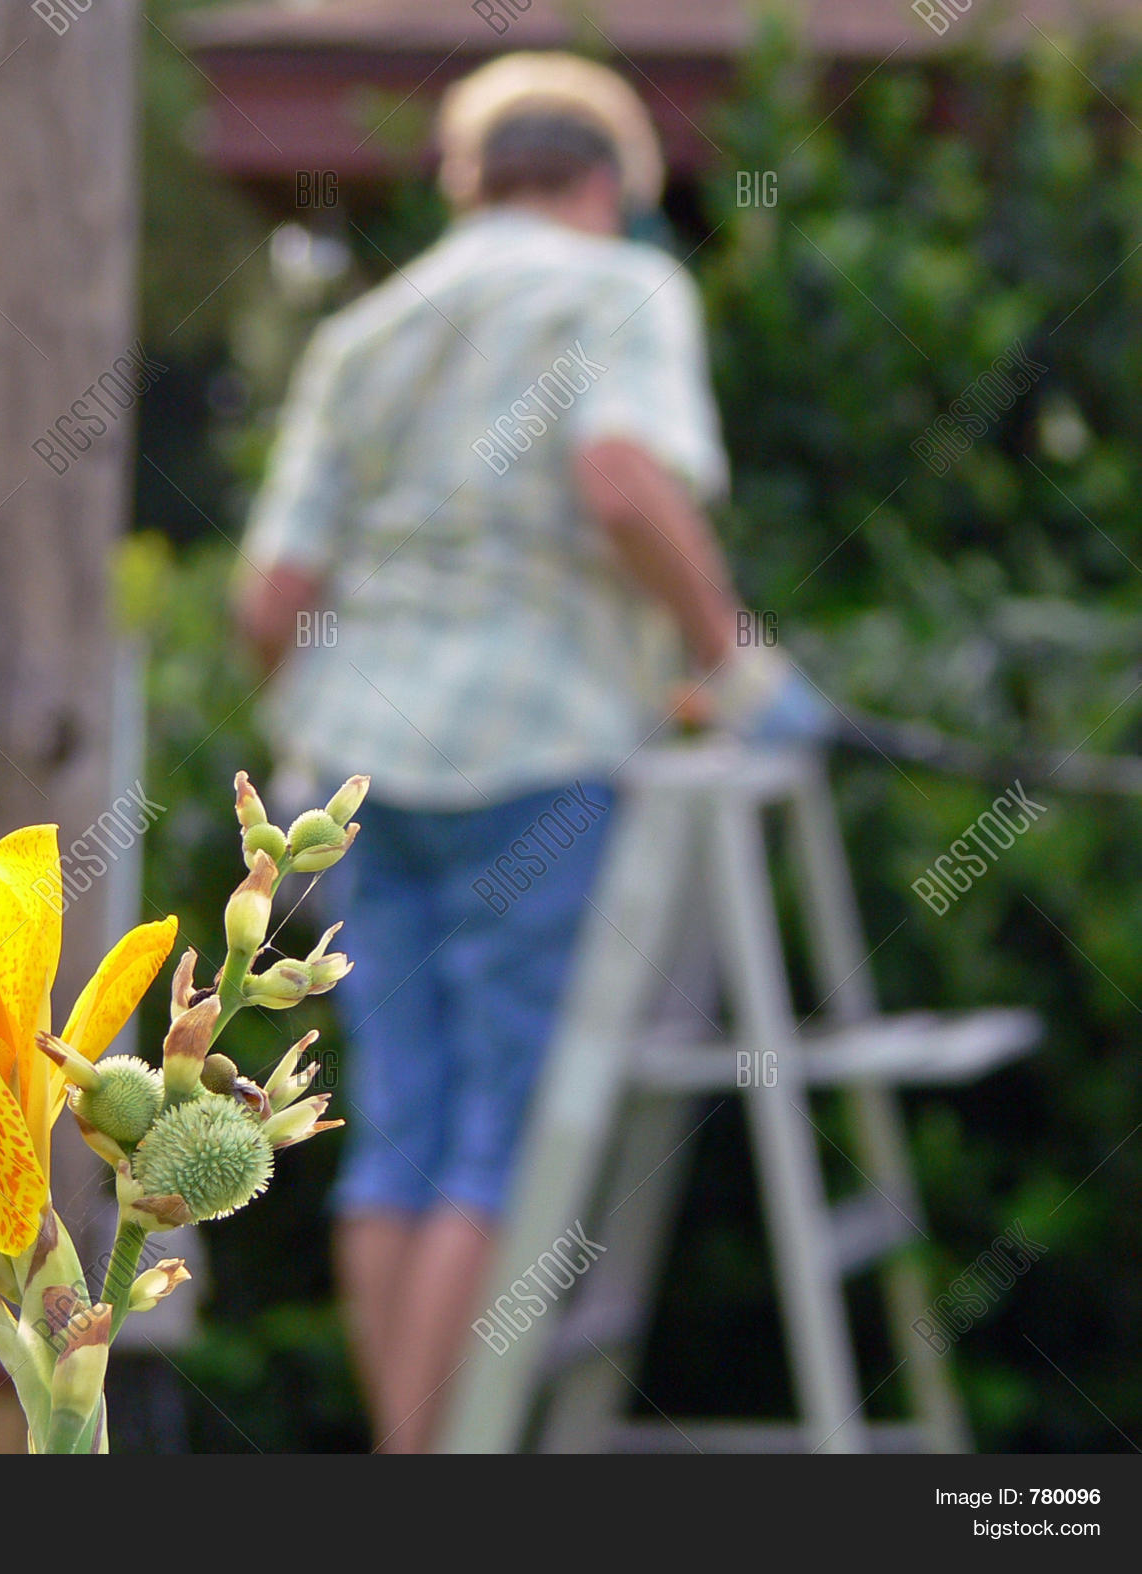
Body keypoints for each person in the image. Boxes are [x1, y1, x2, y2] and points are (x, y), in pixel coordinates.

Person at [234, 50, 827, 1453]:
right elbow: (619, 478)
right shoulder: (621, 287)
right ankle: (442, 1466)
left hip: (354, 778)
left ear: (462, 180)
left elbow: (269, 599)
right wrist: (729, 664)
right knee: (501, 1135)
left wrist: (334, 718)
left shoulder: (368, 332)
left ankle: (409, 1454)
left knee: (395, 1135)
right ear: (611, 183)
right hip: (538, 762)